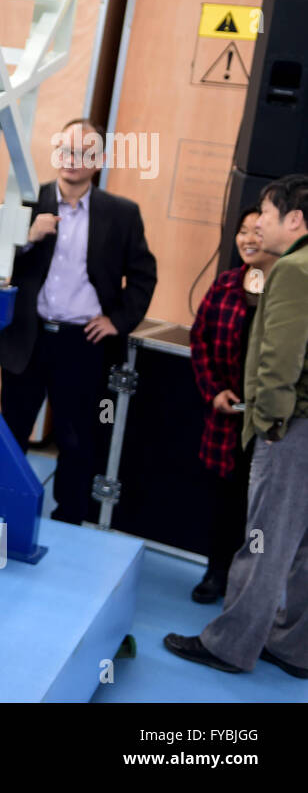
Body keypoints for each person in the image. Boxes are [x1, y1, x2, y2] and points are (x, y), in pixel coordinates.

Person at [165, 174, 308, 678]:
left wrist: (267, 423)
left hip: (292, 429)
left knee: (265, 541)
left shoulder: (292, 270)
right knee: (302, 544)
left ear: (294, 220)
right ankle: (294, 647)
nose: (257, 227)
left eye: (266, 216)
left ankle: (229, 645)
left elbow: (279, 362)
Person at [0, 118, 157, 524]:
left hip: (82, 343)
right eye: (65, 150)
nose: (72, 160)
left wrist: (118, 320)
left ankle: (69, 519)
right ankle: (4, 507)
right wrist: (29, 235)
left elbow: (143, 274)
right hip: (27, 336)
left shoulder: (122, 213)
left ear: (98, 161)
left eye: (83, 153)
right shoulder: (28, 200)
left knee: (77, 438)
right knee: (11, 430)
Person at [188, 207, 278, 603]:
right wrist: (214, 392)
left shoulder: (289, 290)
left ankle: (255, 589)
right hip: (226, 419)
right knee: (224, 501)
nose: (249, 240)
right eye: (243, 232)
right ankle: (216, 572)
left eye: (258, 232)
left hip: (271, 423)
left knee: (261, 506)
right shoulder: (224, 285)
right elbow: (200, 341)